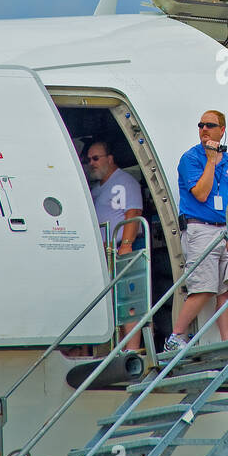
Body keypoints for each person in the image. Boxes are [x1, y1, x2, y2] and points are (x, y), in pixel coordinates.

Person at [165, 111, 228, 350]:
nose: (204, 129)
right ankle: (176, 336)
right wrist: (210, 160)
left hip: (225, 230)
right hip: (201, 228)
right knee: (203, 287)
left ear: (222, 129)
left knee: (224, 290)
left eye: (210, 125)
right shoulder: (191, 158)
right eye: (201, 125)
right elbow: (201, 193)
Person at [86, 140, 145, 350]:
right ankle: (118, 349)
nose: (92, 163)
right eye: (89, 159)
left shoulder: (124, 182)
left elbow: (133, 213)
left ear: (109, 159)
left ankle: (131, 349)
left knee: (128, 302)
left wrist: (125, 246)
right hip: (104, 252)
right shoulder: (95, 189)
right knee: (113, 303)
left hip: (121, 250)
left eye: (96, 158)